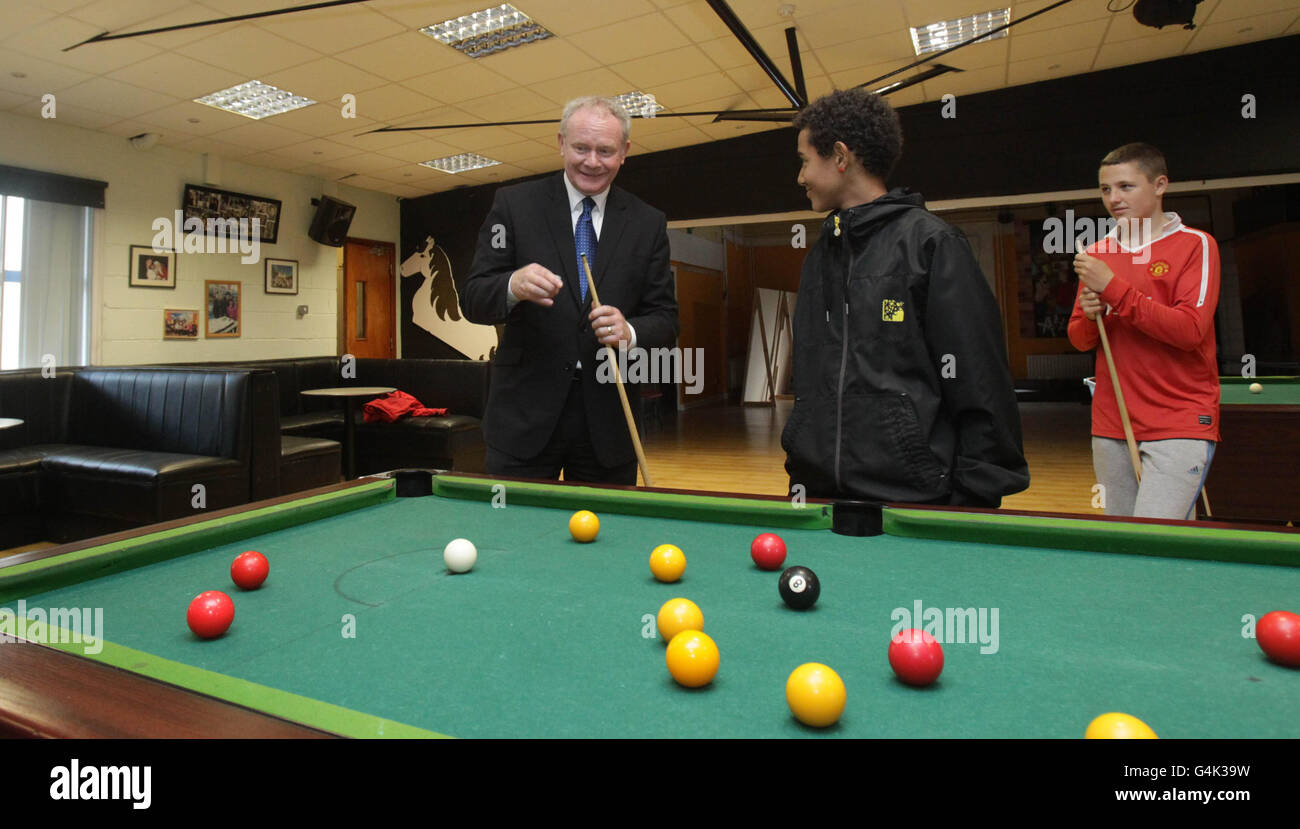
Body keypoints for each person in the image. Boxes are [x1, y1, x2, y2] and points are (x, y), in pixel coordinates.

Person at [782, 89, 1028, 506]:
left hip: (915, 497)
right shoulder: (819, 256)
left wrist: (976, 495)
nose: (800, 177)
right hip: (819, 496)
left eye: (805, 161)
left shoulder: (933, 244)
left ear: (840, 157)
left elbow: (978, 378)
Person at [461, 96, 678, 484]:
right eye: (580, 148)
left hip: (608, 423)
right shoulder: (513, 206)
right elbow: (474, 298)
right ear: (561, 143)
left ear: (625, 152)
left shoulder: (648, 223)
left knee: (606, 537)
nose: (592, 161)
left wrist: (629, 331)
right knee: (513, 537)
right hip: (523, 421)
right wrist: (512, 285)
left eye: (605, 151)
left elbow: (665, 319)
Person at [1068, 143, 1220, 519]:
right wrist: (1090, 315)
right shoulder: (1097, 254)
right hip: (1111, 422)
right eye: (1106, 190)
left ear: (1160, 185)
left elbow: (1189, 330)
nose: (1114, 198)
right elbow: (1081, 338)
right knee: (1123, 541)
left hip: (1179, 420)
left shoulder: (1196, 245)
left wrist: (1114, 289)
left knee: (1156, 539)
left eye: (1125, 187)